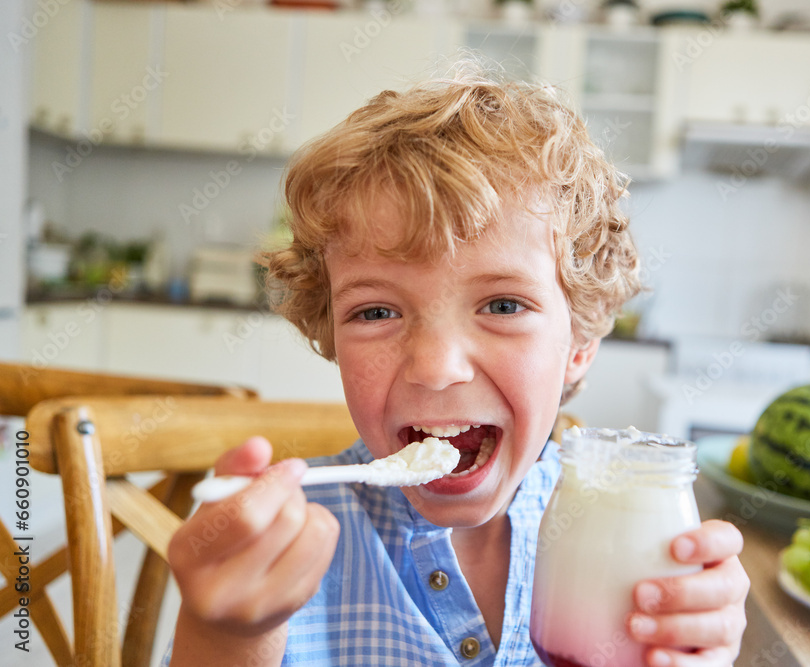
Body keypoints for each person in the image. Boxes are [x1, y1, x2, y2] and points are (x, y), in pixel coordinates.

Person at [164, 63, 749, 667]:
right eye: (376, 312)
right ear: (330, 332)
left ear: (578, 342)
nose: (436, 368)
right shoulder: (279, 551)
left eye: (502, 305)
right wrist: (224, 639)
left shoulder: (629, 531)